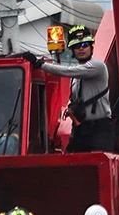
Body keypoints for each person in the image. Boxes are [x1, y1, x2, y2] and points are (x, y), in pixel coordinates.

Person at [41, 25, 113, 153]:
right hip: (80, 129)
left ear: (91, 47)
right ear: (72, 51)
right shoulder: (76, 78)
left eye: (85, 44)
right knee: (71, 165)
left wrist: (41, 65)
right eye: (76, 46)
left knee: (99, 166)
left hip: (100, 130)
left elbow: (70, 71)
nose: (81, 48)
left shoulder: (96, 66)